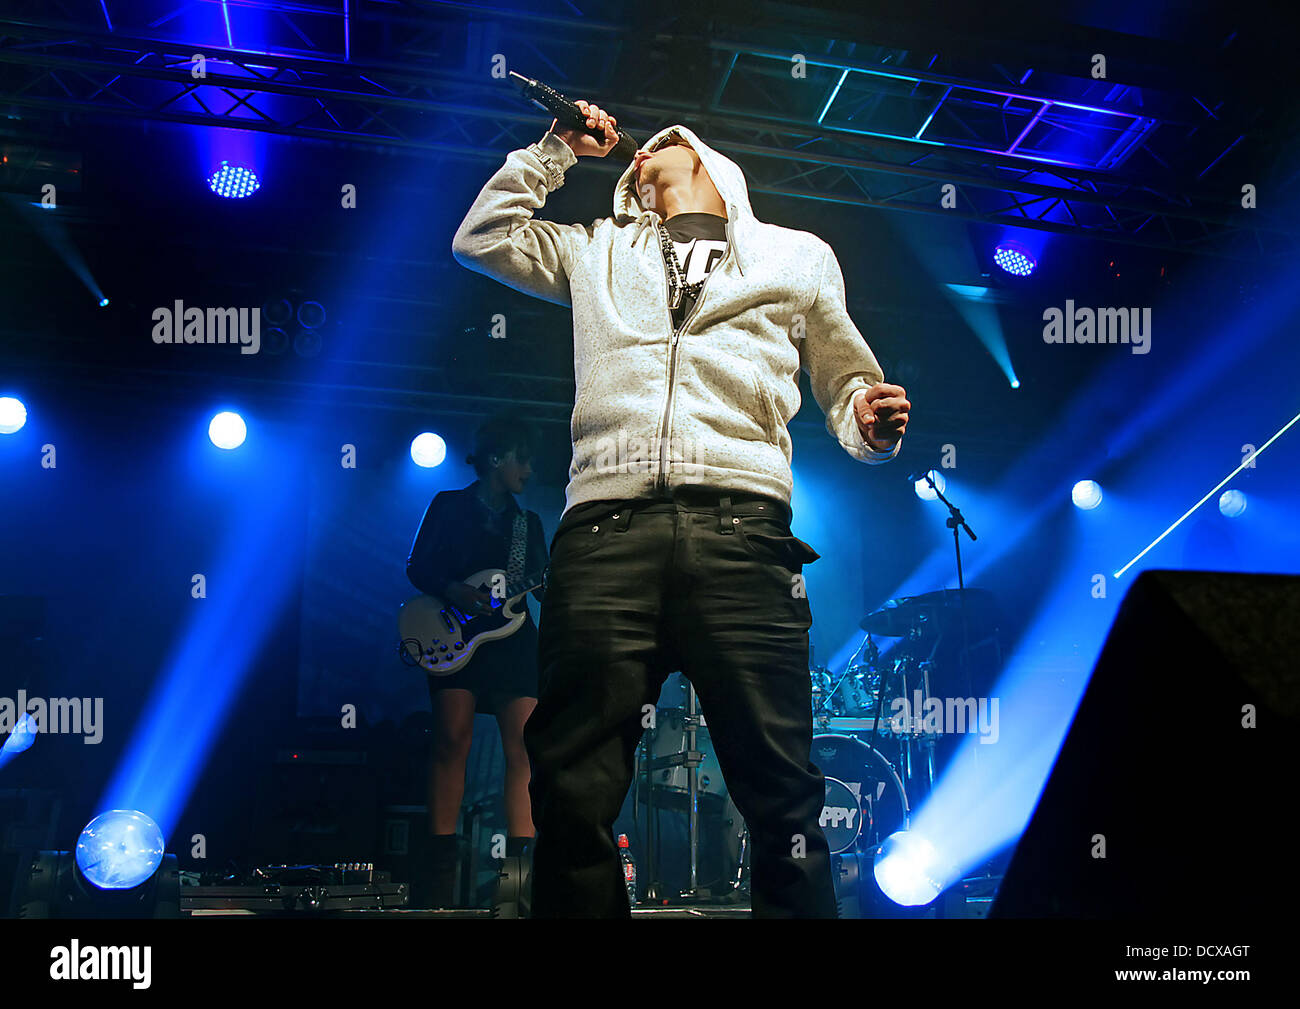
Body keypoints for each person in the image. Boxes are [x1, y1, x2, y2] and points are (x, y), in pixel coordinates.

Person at [450, 102, 909, 918]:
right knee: (571, 782)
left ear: (707, 163)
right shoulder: (595, 248)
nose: (643, 152)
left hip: (742, 527)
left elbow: (846, 379)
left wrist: (867, 423)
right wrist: (556, 150)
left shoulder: (795, 256)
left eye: (665, 144)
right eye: (634, 156)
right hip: (605, 531)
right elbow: (481, 237)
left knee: (781, 788)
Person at [404, 413, 549, 907]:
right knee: (452, 740)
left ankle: (520, 875)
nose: (529, 470)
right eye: (522, 459)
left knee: (524, 749)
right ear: (495, 458)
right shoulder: (448, 505)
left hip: (513, 640)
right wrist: (453, 590)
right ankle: (440, 877)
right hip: (453, 634)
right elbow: (417, 566)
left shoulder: (528, 524)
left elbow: (542, 585)